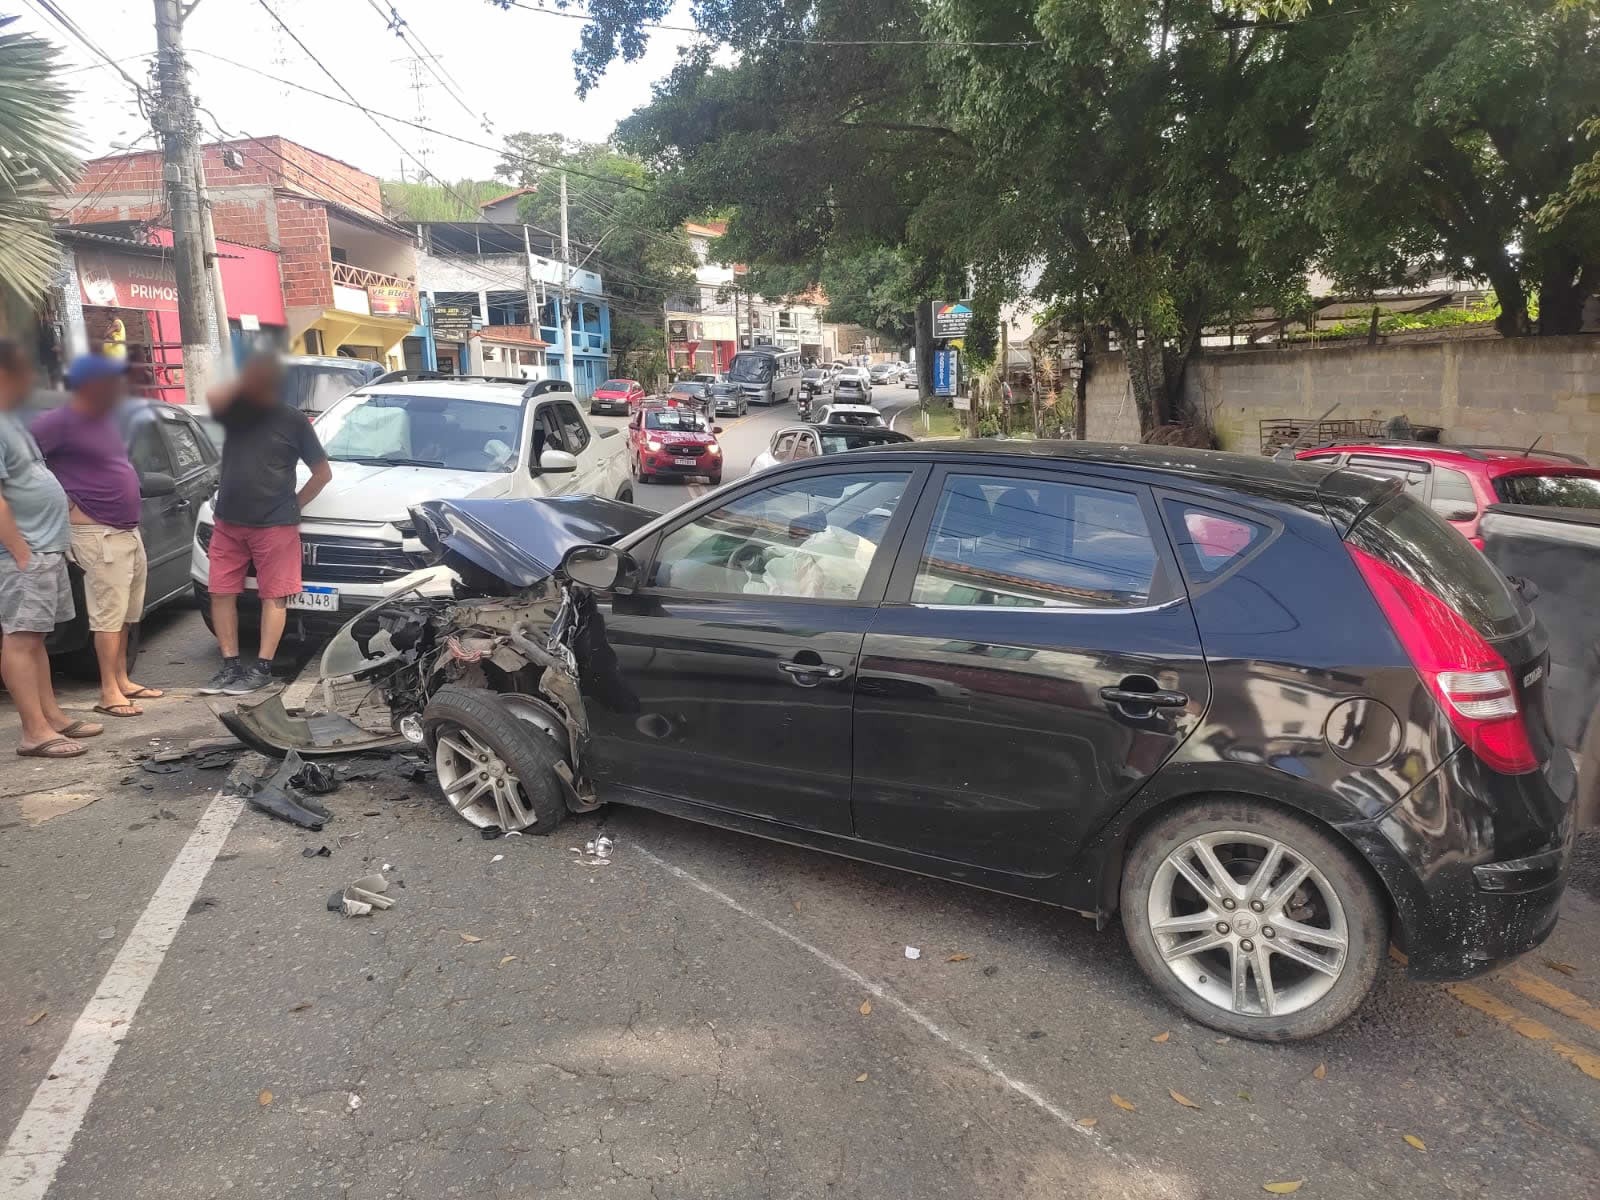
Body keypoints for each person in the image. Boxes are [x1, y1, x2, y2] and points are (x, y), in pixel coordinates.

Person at [33, 354, 162, 718]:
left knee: (125, 614)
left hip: (125, 530)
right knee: (107, 615)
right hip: (96, 532)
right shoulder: (59, 421)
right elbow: (24, 463)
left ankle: (122, 679)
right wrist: (65, 500)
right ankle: (108, 691)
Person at [200, 353, 332, 695]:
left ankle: (262, 667)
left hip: (275, 525)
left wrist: (294, 504)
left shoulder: (294, 421)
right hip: (228, 522)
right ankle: (229, 666)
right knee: (220, 592)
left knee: (274, 596)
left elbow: (323, 474)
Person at [0, 340, 102, 757]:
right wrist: (21, 551)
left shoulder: (13, 421)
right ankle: (34, 732)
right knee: (20, 639)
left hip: (44, 550)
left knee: (36, 638)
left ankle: (51, 717)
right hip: (23, 555)